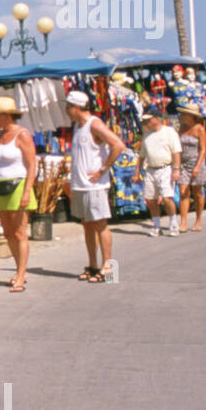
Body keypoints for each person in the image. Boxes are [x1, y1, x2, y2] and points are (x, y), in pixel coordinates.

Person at [64, 91, 126, 283]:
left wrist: (103, 169)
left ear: (75, 107)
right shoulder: (77, 127)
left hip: (94, 186)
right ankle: (92, 265)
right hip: (80, 185)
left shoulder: (94, 124)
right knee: (87, 225)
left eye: (68, 107)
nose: (66, 111)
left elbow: (118, 145)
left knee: (100, 225)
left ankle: (108, 266)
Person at [0, 96, 37, 293]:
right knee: (8, 233)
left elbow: (32, 164)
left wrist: (27, 190)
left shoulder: (22, 134)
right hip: (2, 186)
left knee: (19, 233)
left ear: (7, 115)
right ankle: (19, 270)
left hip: (18, 185)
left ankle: (21, 274)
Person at [132, 110, 182, 236]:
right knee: (150, 199)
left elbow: (176, 152)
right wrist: (137, 172)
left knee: (167, 198)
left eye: (150, 119)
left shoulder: (169, 132)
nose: (147, 122)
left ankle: (173, 223)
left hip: (165, 168)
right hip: (150, 169)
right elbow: (142, 156)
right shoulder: (147, 135)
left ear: (158, 119)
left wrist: (176, 169)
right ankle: (156, 224)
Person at [176, 104, 206, 232]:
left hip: (196, 162)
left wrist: (198, 166)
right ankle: (183, 222)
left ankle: (198, 220)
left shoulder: (199, 129)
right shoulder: (182, 128)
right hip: (184, 163)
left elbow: (203, 149)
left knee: (197, 192)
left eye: (185, 114)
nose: (182, 116)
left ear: (191, 116)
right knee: (183, 191)